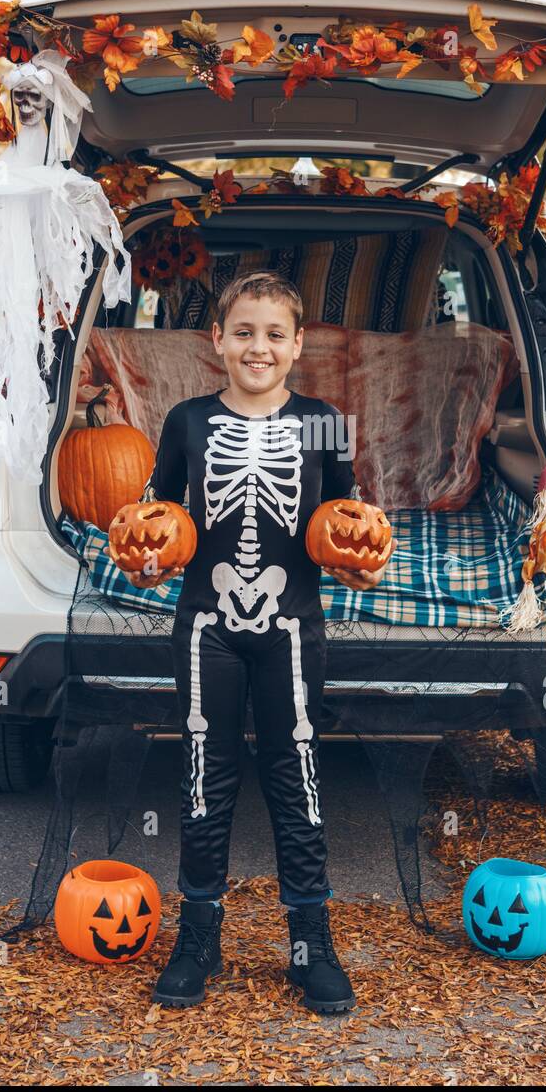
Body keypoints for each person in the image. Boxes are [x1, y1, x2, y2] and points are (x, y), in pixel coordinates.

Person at [137, 270, 394, 1014]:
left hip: (290, 625)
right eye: (243, 332)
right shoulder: (187, 420)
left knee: (297, 774)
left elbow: (346, 522)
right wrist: (151, 570)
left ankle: (311, 943)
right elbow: (159, 523)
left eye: (274, 334)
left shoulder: (322, 421)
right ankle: (199, 937)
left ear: (298, 344)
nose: (259, 347)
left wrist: (364, 572)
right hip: (205, 625)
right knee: (202, 775)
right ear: (216, 340)